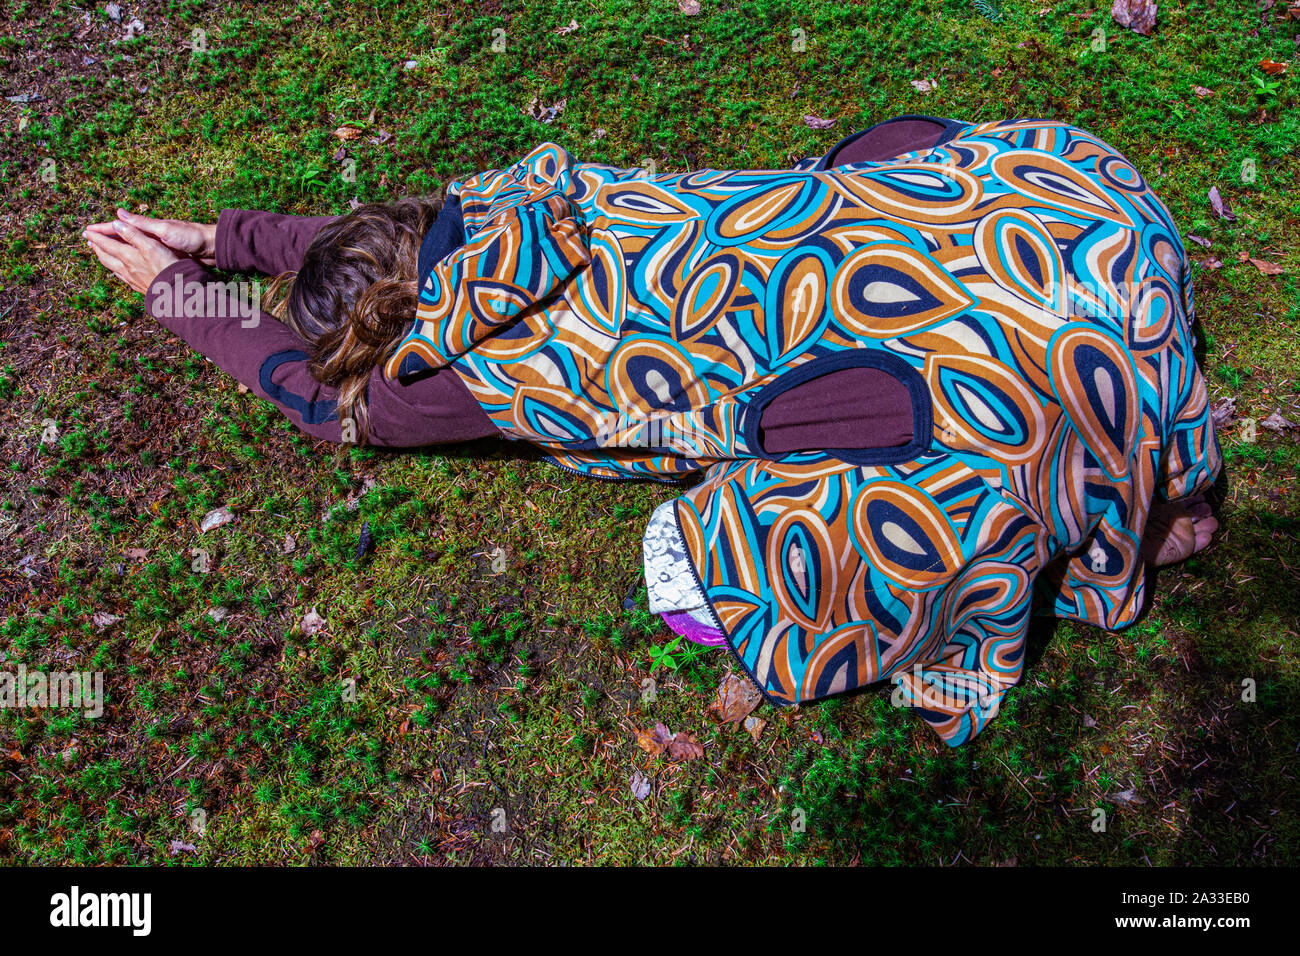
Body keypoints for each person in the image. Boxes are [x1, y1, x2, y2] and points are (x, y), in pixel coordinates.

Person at [84, 115, 1221, 745]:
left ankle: (1121, 485)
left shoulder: (465, 374)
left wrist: (183, 294)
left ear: (396, 342)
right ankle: (1141, 420)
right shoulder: (517, 201)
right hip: (1049, 222)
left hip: (992, 387)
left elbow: (324, 405)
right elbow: (379, 247)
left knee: (694, 569)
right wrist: (228, 237)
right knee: (878, 180)